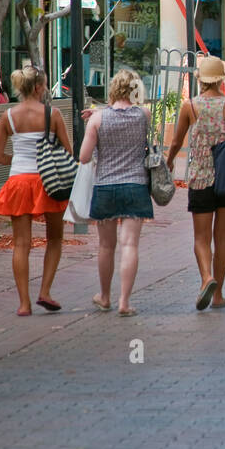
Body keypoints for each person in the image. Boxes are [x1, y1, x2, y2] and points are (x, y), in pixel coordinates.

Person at [166, 54, 225, 311]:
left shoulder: (189, 106)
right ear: (221, 81)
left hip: (200, 178)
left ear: (201, 80)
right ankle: (218, 295)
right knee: (222, 238)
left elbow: (177, 140)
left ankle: (206, 277)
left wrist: (169, 162)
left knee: (201, 238)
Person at [0, 65, 72, 316]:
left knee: (21, 245)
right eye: (45, 84)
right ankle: (45, 291)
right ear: (38, 87)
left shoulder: (8, 116)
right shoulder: (53, 114)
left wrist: (16, 161)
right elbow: (68, 153)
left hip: (19, 181)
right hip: (49, 182)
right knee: (55, 239)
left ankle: (24, 304)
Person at [80, 68, 152, 317]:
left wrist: (96, 117)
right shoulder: (144, 114)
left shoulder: (97, 119)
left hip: (106, 186)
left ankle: (105, 296)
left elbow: (84, 156)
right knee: (130, 244)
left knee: (106, 246)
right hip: (135, 185)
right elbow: (133, 112)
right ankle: (125, 301)